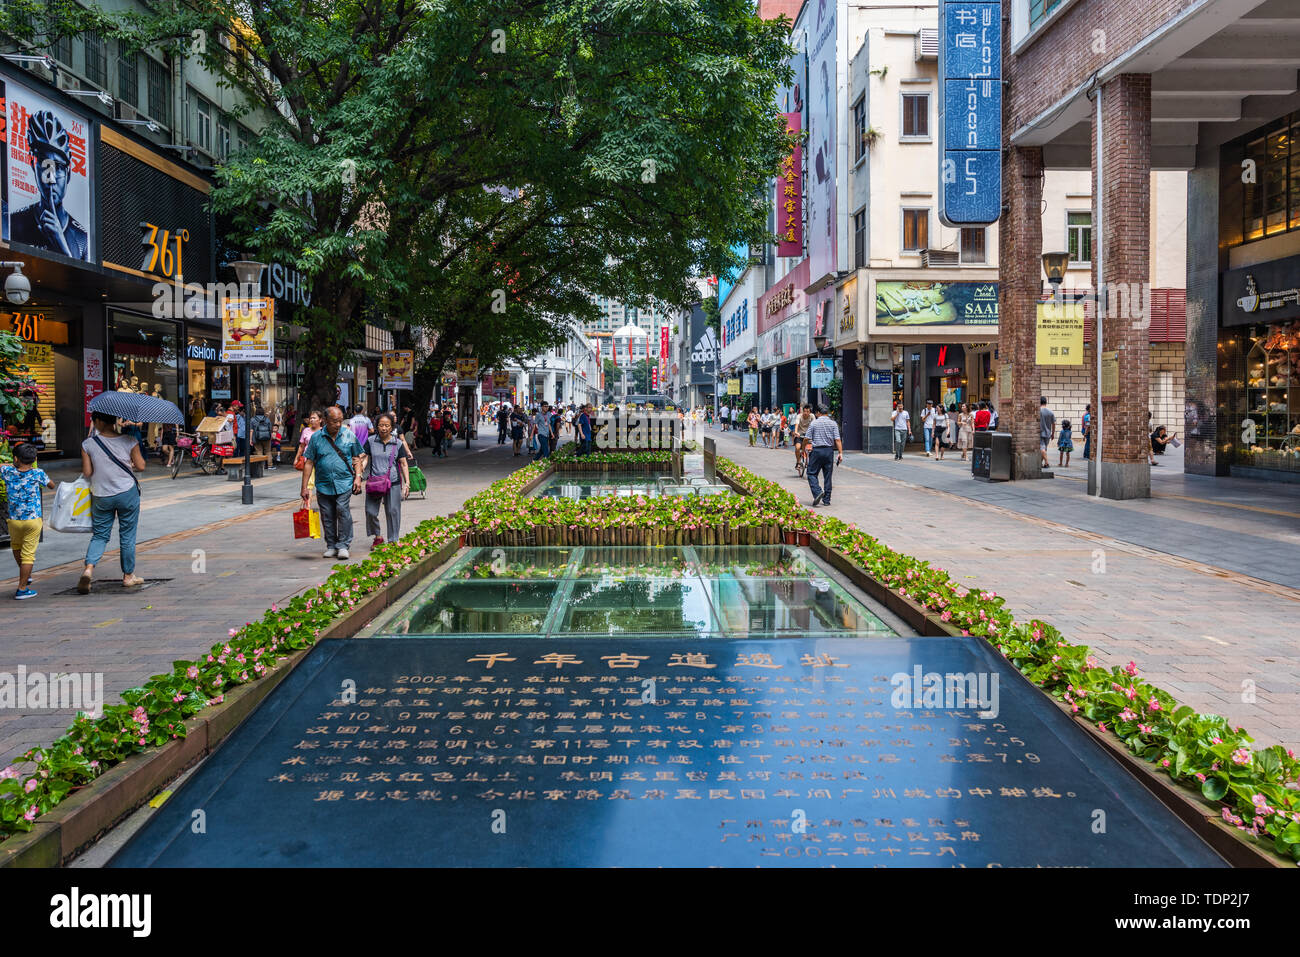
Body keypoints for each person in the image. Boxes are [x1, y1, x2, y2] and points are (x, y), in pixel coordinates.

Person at [79, 411, 147, 593]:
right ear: (116, 421)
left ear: (99, 422)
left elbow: (87, 473)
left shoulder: (88, 444)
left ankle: (88, 569)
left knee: (100, 535)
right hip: (127, 493)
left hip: (101, 494)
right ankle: (128, 576)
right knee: (127, 535)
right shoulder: (130, 440)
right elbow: (141, 466)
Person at [10, 111, 89, 260]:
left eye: (58, 167)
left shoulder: (82, 239)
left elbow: (83, 281)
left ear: (69, 173)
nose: (51, 179)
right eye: (44, 163)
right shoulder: (13, 222)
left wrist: (61, 244)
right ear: (33, 165)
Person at [300, 405, 364, 560]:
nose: (337, 424)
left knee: (342, 510)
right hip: (323, 483)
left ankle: (343, 545)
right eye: (334, 421)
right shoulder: (316, 437)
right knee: (327, 515)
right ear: (325, 420)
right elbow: (309, 462)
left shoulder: (348, 435)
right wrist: (304, 487)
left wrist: (358, 477)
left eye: (340, 421)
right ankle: (331, 545)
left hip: (344, 482)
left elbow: (357, 458)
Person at [3, 443, 54, 600]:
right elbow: (52, 485)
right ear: (35, 459)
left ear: (16, 458)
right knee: (29, 555)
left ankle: (26, 576)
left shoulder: (7, 471)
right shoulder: (37, 473)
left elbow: (2, 466)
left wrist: (11, 464)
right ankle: (22, 588)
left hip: (13, 520)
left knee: (17, 547)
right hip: (32, 520)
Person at [361, 412, 411, 547]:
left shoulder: (398, 443)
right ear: (377, 426)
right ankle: (377, 536)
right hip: (375, 482)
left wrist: (407, 483)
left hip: (393, 482)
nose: (383, 428)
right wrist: (359, 471)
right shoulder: (371, 441)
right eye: (381, 425)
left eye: (387, 426)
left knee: (393, 511)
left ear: (392, 427)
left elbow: (404, 463)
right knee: (370, 511)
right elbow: (364, 457)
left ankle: (393, 540)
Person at [805, 406, 843, 507]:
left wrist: (804, 446)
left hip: (816, 451)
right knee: (827, 475)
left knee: (811, 473)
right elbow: (837, 440)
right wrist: (840, 453)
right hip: (829, 451)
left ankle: (817, 492)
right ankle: (827, 500)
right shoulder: (833, 423)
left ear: (818, 413)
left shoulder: (814, 423)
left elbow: (807, 438)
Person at [792, 404, 814, 474]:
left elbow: (814, 425)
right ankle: (798, 462)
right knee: (798, 448)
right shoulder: (799, 416)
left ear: (810, 412)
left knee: (813, 449)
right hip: (800, 435)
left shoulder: (812, 416)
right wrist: (796, 432)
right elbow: (796, 425)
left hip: (808, 435)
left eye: (807, 411)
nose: (806, 413)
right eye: (804, 411)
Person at [1039, 396, 1056, 469]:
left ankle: (1047, 462)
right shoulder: (1051, 412)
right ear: (1046, 402)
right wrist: (1053, 433)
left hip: (1040, 433)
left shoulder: (1038, 411)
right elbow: (1054, 423)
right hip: (1048, 433)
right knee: (1044, 449)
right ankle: (1040, 464)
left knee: (1042, 449)